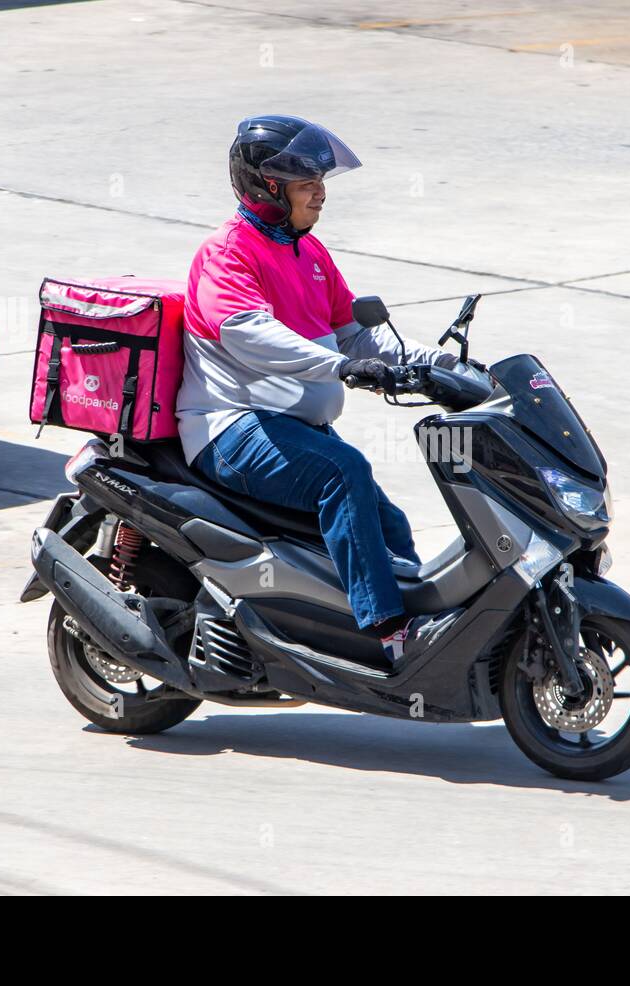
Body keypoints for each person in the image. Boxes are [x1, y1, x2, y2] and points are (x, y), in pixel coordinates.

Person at [177, 115, 463, 665]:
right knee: (342, 472)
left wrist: (448, 367)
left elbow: (360, 337)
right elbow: (250, 336)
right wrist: (336, 368)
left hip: (289, 426)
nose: (322, 195)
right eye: (309, 184)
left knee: (389, 523)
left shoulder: (310, 254)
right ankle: (389, 633)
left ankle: (431, 627)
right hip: (231, 426)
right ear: (267, 187)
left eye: (322, 182)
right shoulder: (228, 252)